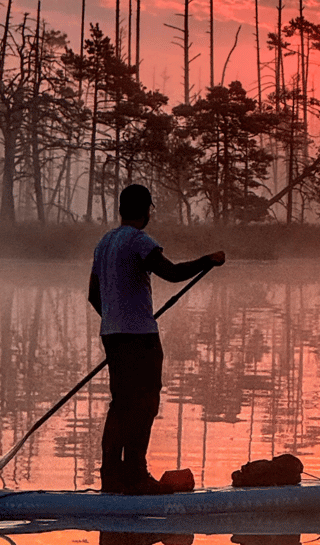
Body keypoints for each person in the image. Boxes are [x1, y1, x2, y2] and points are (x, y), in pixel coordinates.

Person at [89, 184, 225, 494]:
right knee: (145, 404)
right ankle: (136, 476)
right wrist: (208, 260)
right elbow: (172, 273)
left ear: (121, 209)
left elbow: (93, 295)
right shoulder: (139, 241)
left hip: (112, 335)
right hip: (140, 338)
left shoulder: (104, 243)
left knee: (120, 405)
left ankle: (112, 476)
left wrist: (114, 318)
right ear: (145, 211)